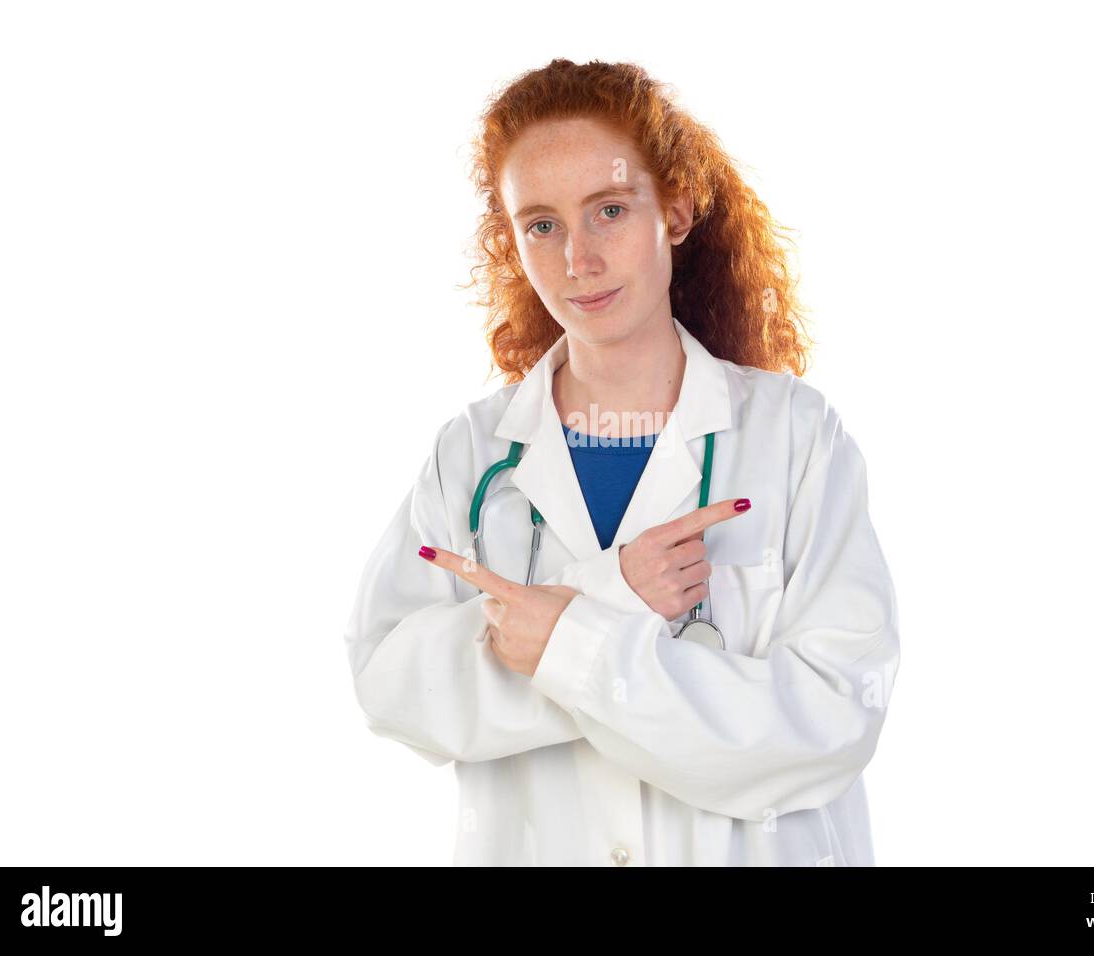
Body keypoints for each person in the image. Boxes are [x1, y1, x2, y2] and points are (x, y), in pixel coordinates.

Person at [342, 58, 900, 866]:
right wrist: (612, 598)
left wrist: (566, 644)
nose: (578, 259)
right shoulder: (473, 458)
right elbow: (390, 688)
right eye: (541, 224)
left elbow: (832, 719)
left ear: (675, 207)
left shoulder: (794, 438)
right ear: (512, 239)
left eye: (609, 209)